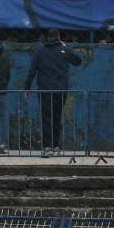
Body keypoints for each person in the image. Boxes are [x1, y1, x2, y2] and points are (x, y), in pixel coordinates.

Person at [24, 29, 83, 157]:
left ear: (47, 38)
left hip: (45, 91)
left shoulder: (40, 51)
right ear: (58, 37)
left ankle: (46, 147)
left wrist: (27, 88)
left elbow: (32, 70)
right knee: (57, 118)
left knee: (46, 119)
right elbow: (78, 61)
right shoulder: (63, 50)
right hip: (60, 91)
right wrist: (65, 47)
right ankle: (56, 146)